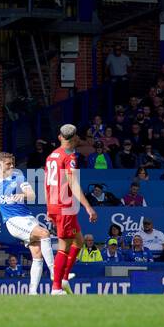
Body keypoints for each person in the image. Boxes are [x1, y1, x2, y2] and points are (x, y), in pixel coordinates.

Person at [0, 151, 55, 295]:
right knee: (45, 233)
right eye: (8, 164)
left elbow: (32, 195)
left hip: (28, 218)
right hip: (12, 221)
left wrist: (22, 195)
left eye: (12, 164)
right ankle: (55, 273)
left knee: (37, 254)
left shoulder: (19, 177)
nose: (11, 166)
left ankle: (32, 293)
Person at [45, 124, 97, 294]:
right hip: (64, 206)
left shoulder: (51, 156)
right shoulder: (69, 157)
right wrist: (88, 207)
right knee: (63, 247)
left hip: (55, 204)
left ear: (60, 137)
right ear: (74, 138)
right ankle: (56, 288)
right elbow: (73, 183)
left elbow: (47, 183)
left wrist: (48, 208)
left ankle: (65, 278)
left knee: (79, 241)